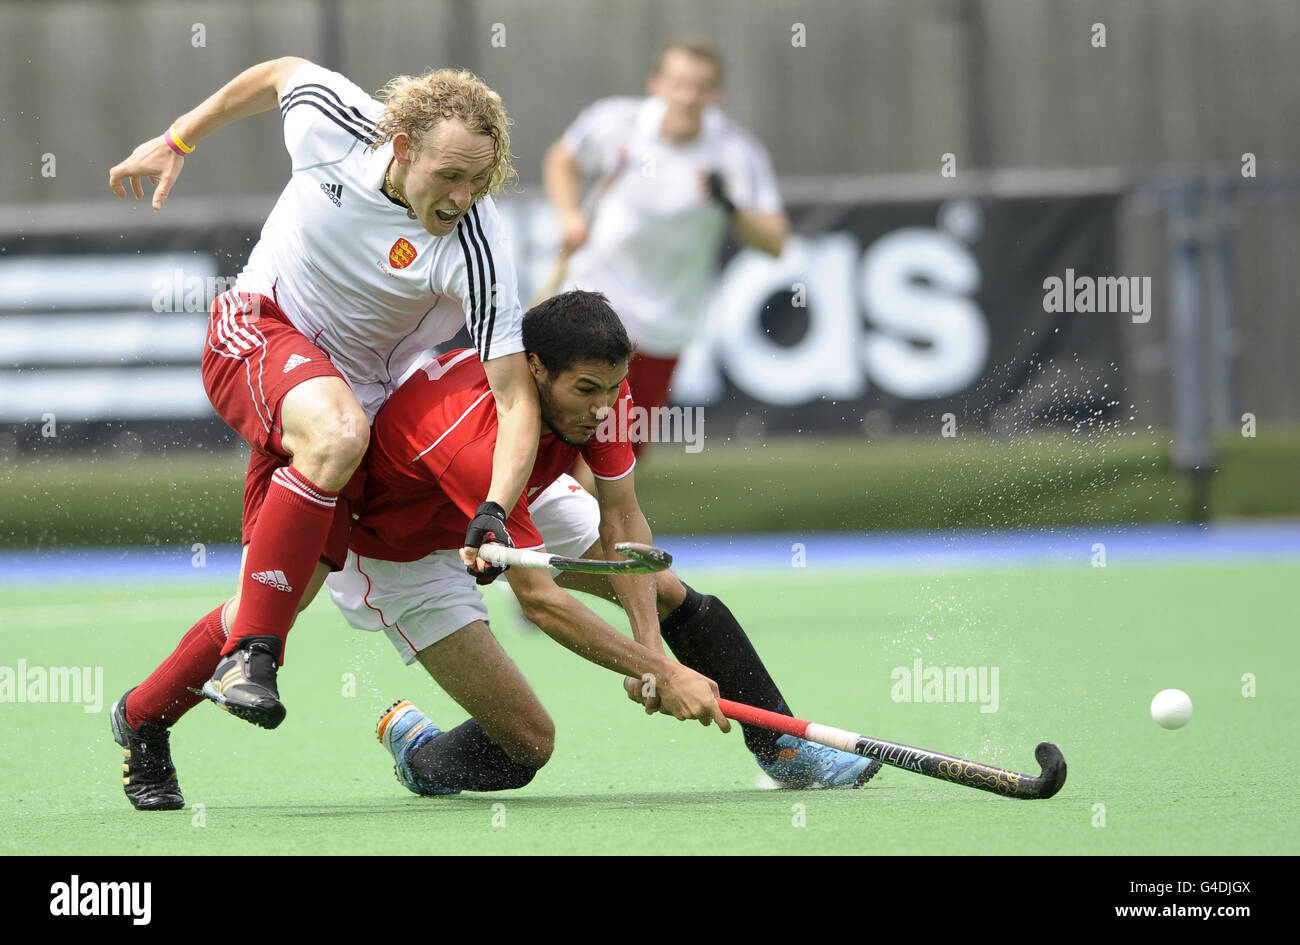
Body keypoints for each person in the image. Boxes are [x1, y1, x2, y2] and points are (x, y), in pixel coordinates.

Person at [106, 58, 539, 811]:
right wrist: (178, 138)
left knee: (271, 596)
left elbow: (515, 395)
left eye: (479, 180)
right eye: (448, 175)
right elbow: (275, 72)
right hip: (258, 332)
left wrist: (495, 507)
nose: (461, 197)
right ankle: (257, 660)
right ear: (400, 146)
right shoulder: (334, 123)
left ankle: (143, 718)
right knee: (337, 436)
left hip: (347, 405)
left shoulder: (477, 243)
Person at [324, 291, 880, 795]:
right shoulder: (474, 438)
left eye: (612, 390)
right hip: (401, 552)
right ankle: (421, 756)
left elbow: (623, 518)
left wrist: (651, 651)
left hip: (526, 493)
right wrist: (662, 675)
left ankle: (783, 748)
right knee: (527, 746)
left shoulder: (604, 387)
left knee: (665, 592)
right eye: (587, 391)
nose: (601, 409)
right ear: (535, 368)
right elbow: (539, 599)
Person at [542, 39, 789, 443]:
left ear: (715, 94)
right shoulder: (616, 121)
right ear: (656, 83)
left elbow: (775, 242)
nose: (687, 97)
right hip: (596, 301)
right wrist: (569, 215)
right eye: (678, 83)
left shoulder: (737, 153)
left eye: (700, 86)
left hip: (664, 326)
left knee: (621, 449)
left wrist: (729, 204)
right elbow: (562, 158)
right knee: (576, 435)